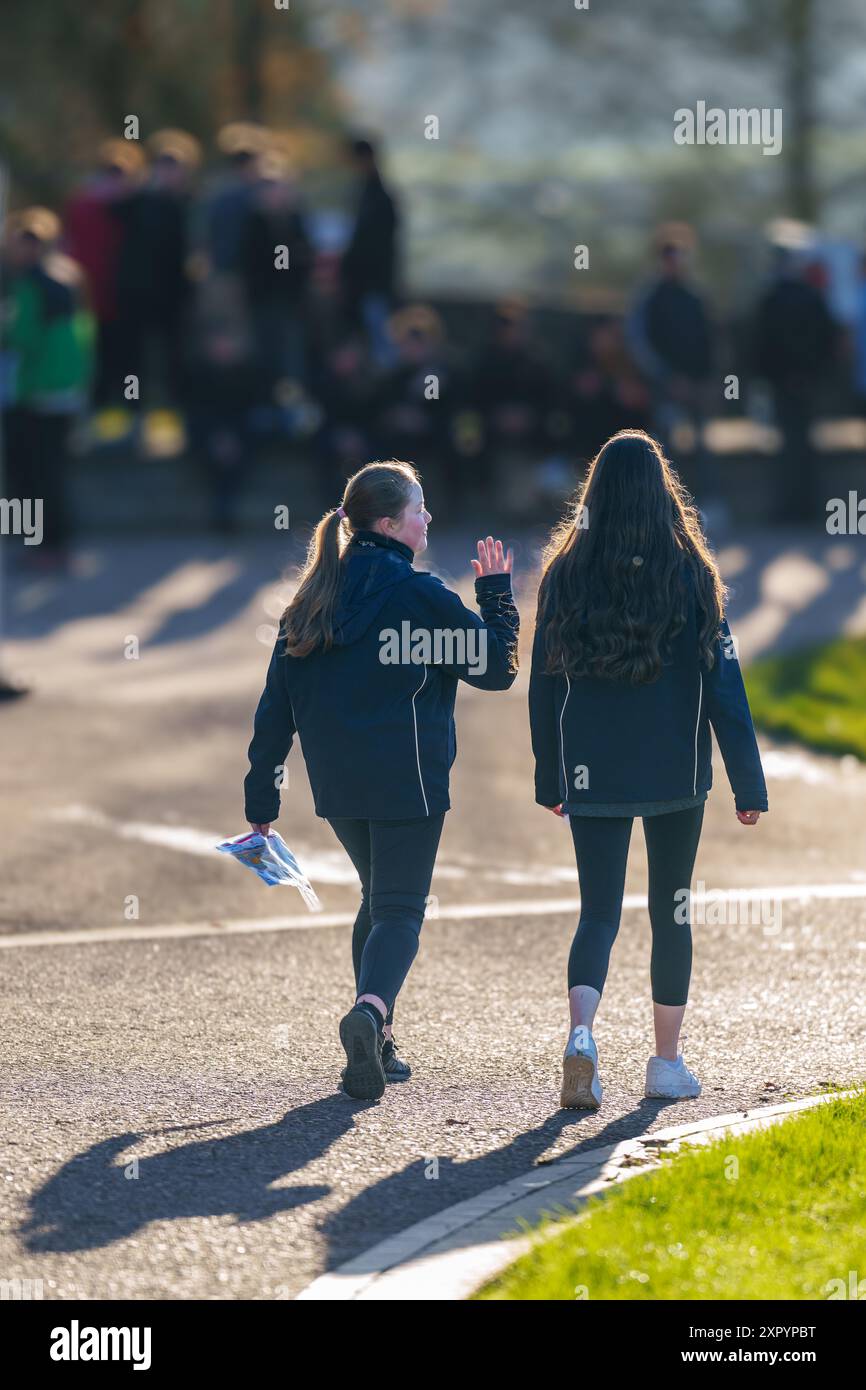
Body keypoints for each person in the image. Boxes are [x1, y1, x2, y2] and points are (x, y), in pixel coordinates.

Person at [243, 460, 519, 1099]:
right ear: (391, 524)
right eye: (420, 509)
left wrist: (262, 794)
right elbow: (497, 670)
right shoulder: (419, 595)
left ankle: (380, 1040)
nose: (430, 519)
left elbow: (274, 707)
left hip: (337, 784)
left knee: (377, 896)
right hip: (408, 778)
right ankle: (369, 1012)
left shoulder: (313, 596)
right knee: (400, 906)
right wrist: (497, 594)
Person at [528, 429, 768, 1111]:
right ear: (663, 491)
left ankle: (581, 1035)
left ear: (594, 494)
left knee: (597, 912)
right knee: (673, 911)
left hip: (590, 770)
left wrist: (551, 776)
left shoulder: (565, 573)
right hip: (674, 770)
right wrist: (747, 784)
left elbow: (544, 687)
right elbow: (724, 683)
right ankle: (665, 1063)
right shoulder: (691, 572)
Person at [2, 207, 95, 569]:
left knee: (31, 475)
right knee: (52, 473)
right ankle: (54, 544)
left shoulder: (28, 284)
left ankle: (35, 544)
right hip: (66, 390)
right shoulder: (72, 278)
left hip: (32, 390)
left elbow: (21, 338)